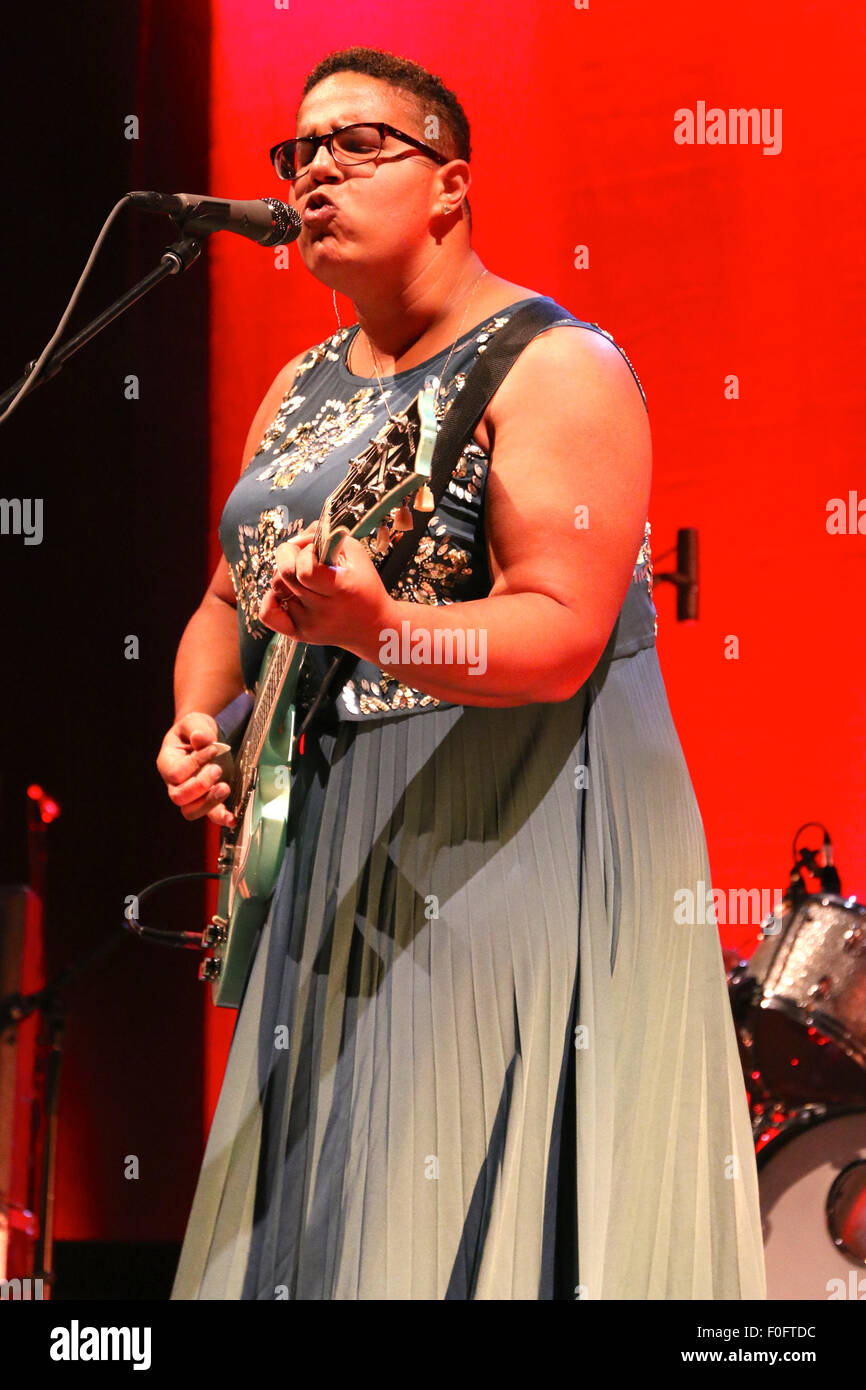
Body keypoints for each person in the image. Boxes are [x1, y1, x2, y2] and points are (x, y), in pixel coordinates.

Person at [158, 46, 767, 1300]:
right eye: (299, 151)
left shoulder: (556, 366)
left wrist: (382, 630)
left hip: (500, 821)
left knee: (433, 1195)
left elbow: (558, 635)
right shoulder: (300, 385)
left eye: (357, 142)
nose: (315, 168)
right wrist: (193, 721)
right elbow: (227, 599)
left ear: (450, 183)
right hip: (333, 836)